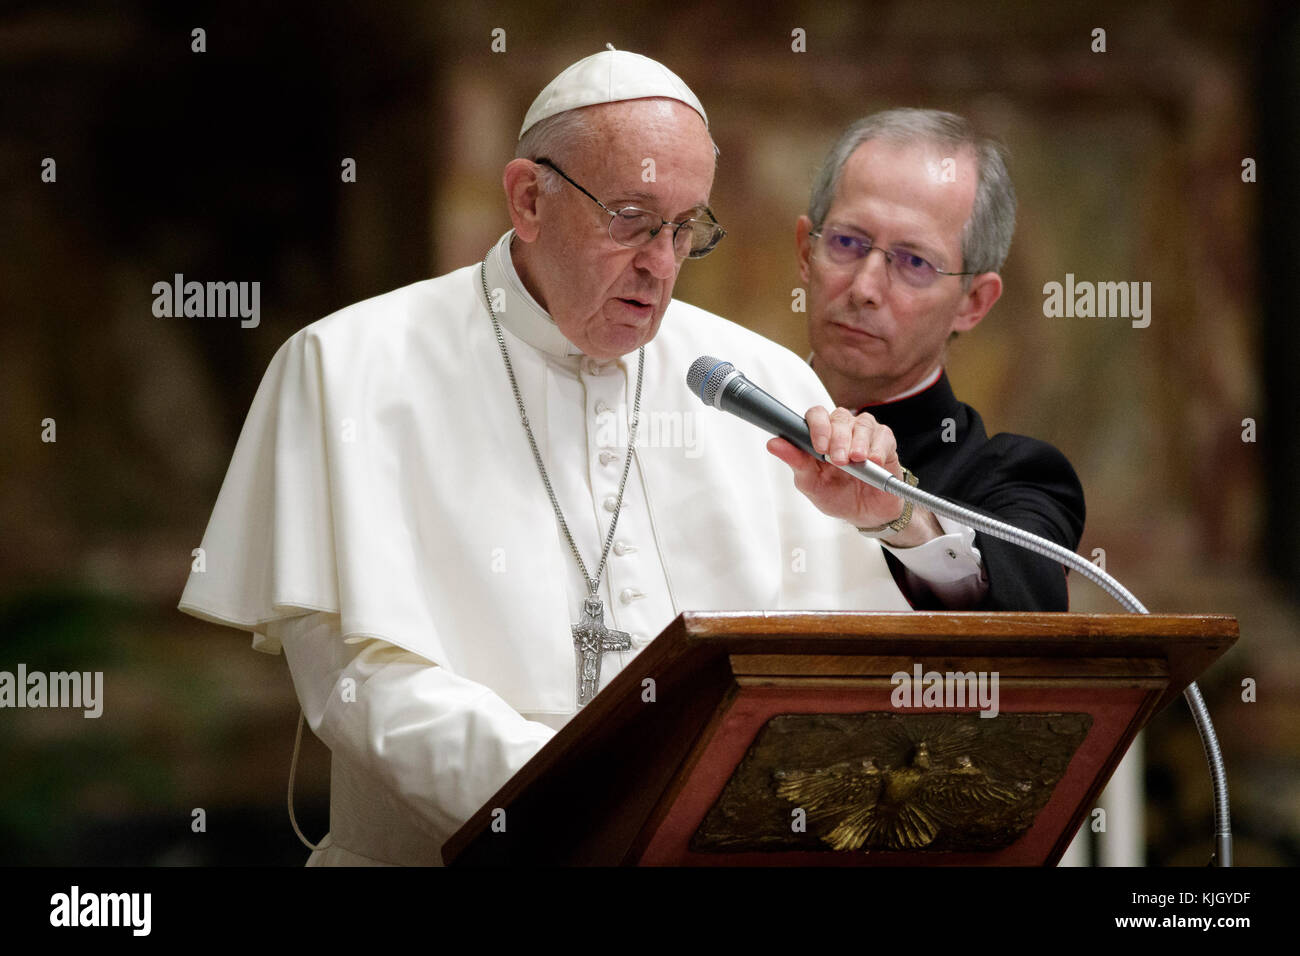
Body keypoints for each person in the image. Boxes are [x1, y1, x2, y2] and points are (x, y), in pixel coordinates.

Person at [178, 51, 965, 867]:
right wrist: (611, 810)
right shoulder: (347, 368)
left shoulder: (760, 382)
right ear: (528, 199)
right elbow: (363, 686)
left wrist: (900, 519)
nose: (661, 264)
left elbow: (839, 669)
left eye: (685, 225)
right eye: (631, 217)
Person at [797, 109, 1086, 611]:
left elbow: (1024, 632)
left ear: (974, 302)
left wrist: (901, 517)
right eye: (847, 242)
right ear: (805, 251)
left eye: (914, 262)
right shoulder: (717, 416)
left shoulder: (1017, 479)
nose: (864, 288)